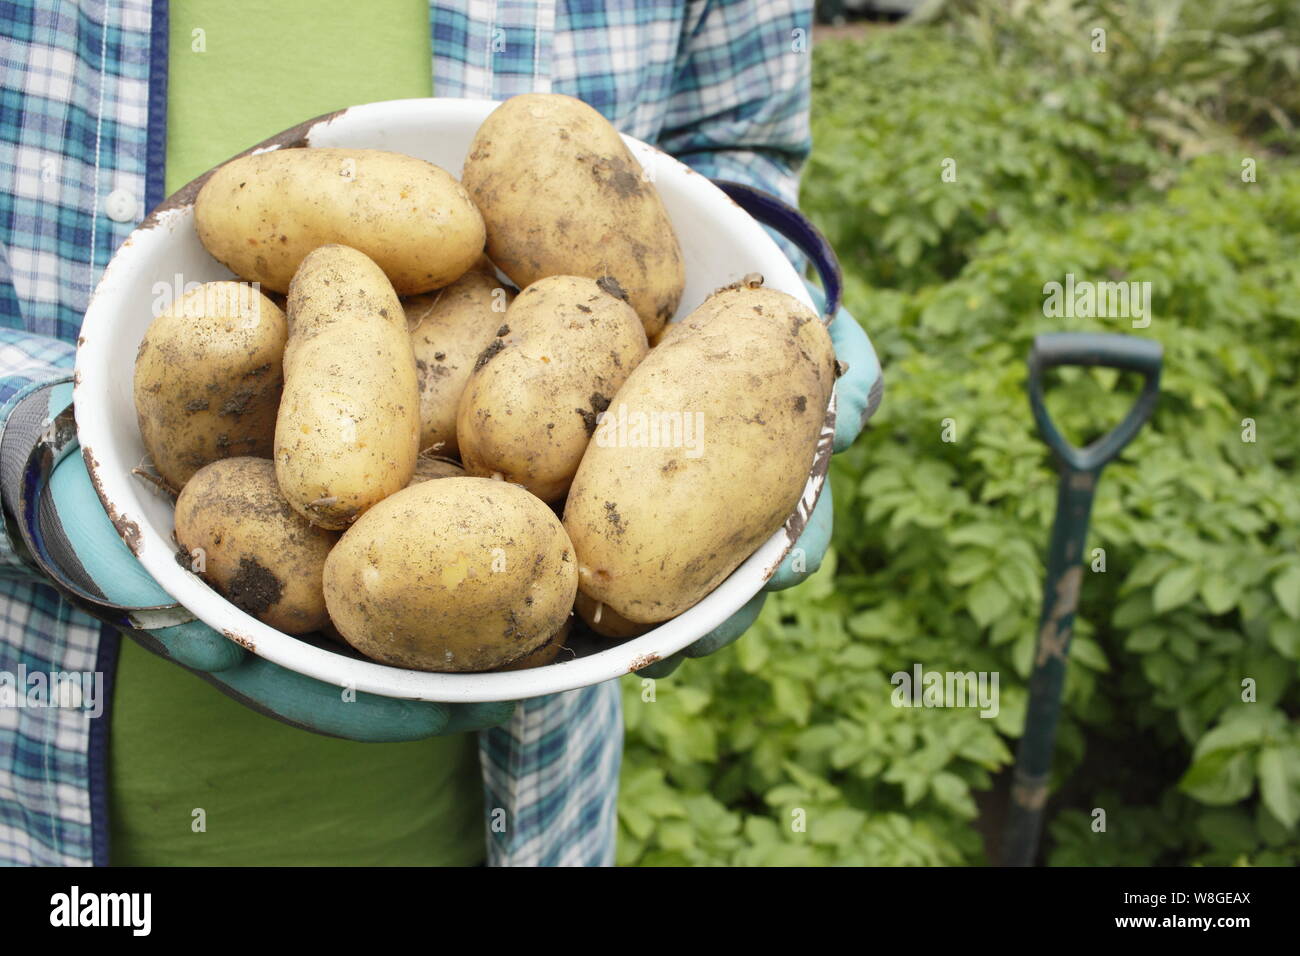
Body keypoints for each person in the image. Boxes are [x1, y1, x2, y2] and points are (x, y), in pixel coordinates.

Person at [0, 0, 879, 866]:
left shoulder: (532, 364)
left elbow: (742, 140)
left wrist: (769, 279)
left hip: (528, 807)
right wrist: (24, 444)